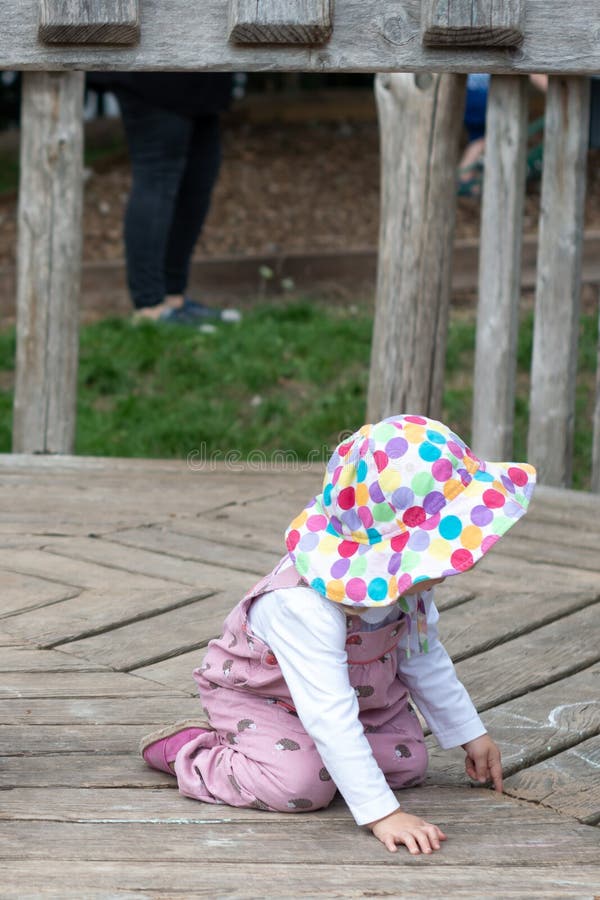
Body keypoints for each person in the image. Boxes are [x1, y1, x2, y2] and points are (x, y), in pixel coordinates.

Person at [140, 414, 536, 854]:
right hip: (264, 699)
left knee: (409, 762)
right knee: (300, 785)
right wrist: (382, 814)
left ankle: (324, 761)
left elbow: (424, 658)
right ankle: (191, 752)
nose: (458, 563)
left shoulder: (405, 585)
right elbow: (328, 712)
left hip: (357, 699)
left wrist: (469, 733)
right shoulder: (302, 606)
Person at [89, 72, 240, 324]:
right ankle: (149, 307)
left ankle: (173, 298)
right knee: (157, 177)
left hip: (201, 76)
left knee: (199, 177)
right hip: (152, 75)